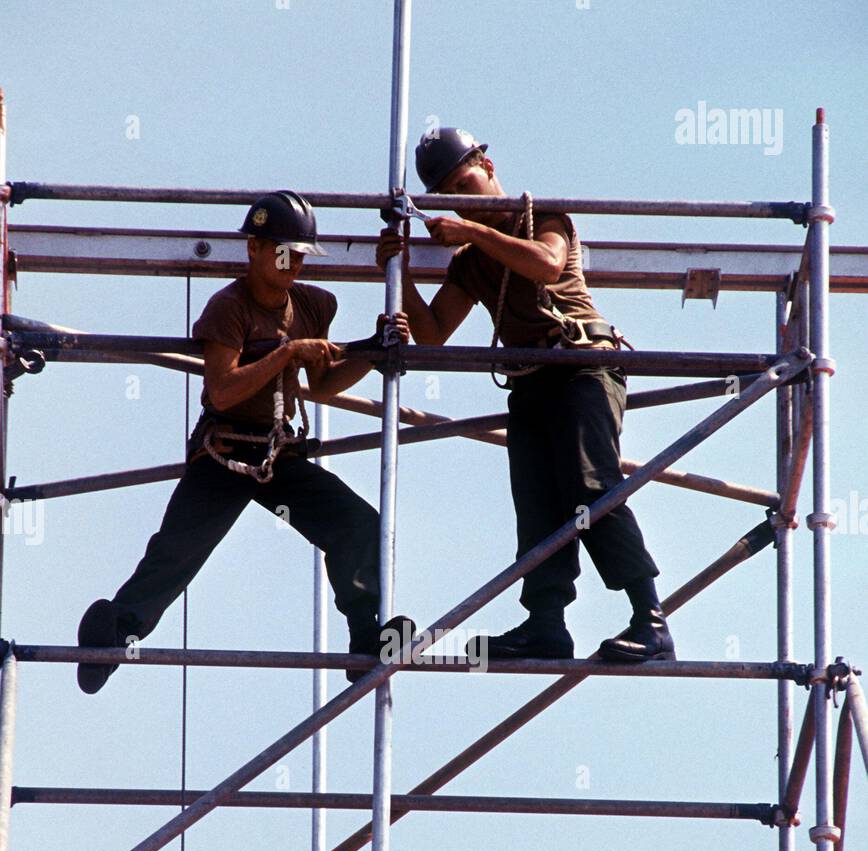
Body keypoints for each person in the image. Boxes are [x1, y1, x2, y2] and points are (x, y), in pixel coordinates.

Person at [77, 189, 410, 693]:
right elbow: (223, 390)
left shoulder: (315, 304)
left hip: (277, 455)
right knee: (178, 552)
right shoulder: (228, 308)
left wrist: (372, 349)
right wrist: (284, 354)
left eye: (298, 254)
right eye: (281, 251)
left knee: (357, 523)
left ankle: (365, 640)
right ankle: (112, 633)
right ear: (253, 250)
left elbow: (322, 384)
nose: (290, 263)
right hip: (225, 452)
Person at [377, 128, 675, 664]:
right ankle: (545, 625)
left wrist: (469, 229)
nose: (462, 199)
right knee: (537, 502)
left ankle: (650, 621)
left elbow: (546, 264)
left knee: (590, 485)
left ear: (487, 166)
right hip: (531, 381)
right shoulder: (471, 262)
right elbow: (433, 331)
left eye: (464, 183)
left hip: (580, 364)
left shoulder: (542, 218)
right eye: (448, 194)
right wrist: (397, 272)